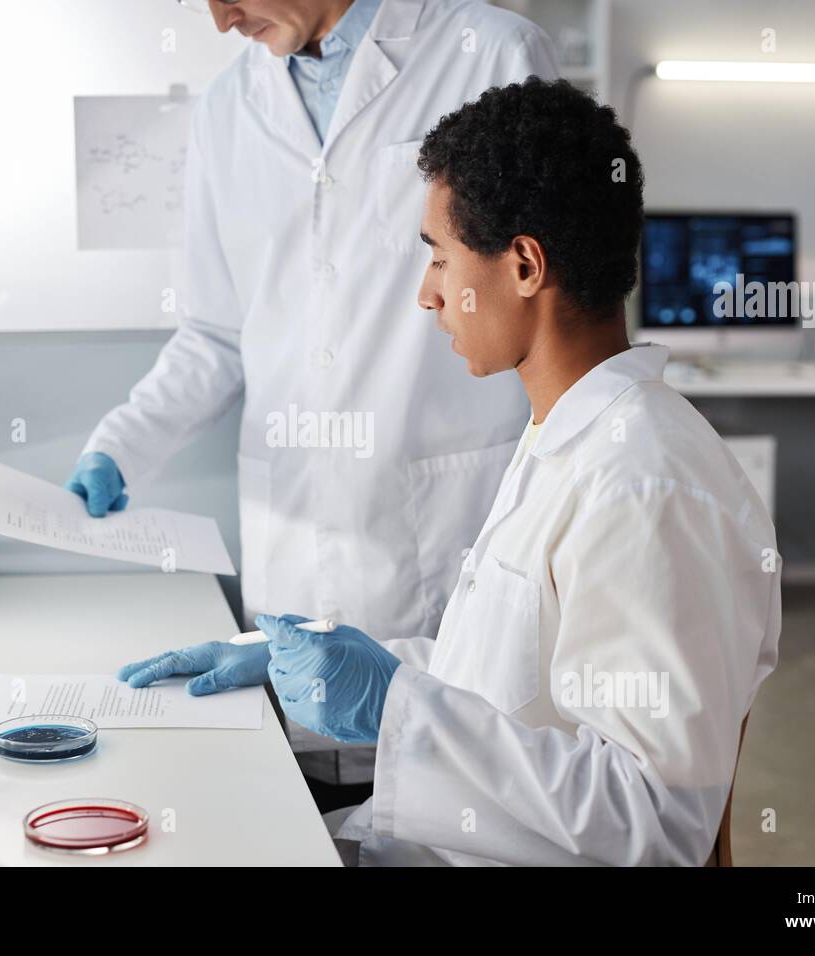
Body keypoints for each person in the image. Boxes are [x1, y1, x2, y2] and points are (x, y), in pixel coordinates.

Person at [253, 76, 783, 865]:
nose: (428, 295)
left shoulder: (647, 486)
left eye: (439, 257)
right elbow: (508, 683)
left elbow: (656, 824)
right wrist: (295, 669)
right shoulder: (566, 433)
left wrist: (395, 706)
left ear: (525, 264)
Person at [70, 0, 559, 784]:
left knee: (449, 787)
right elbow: (216, 331)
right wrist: (120, 447)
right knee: (308, 807)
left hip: (439, 524)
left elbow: (555, 306)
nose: (222, 20)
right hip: (289, 539)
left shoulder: (490, 52)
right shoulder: (230, 106)